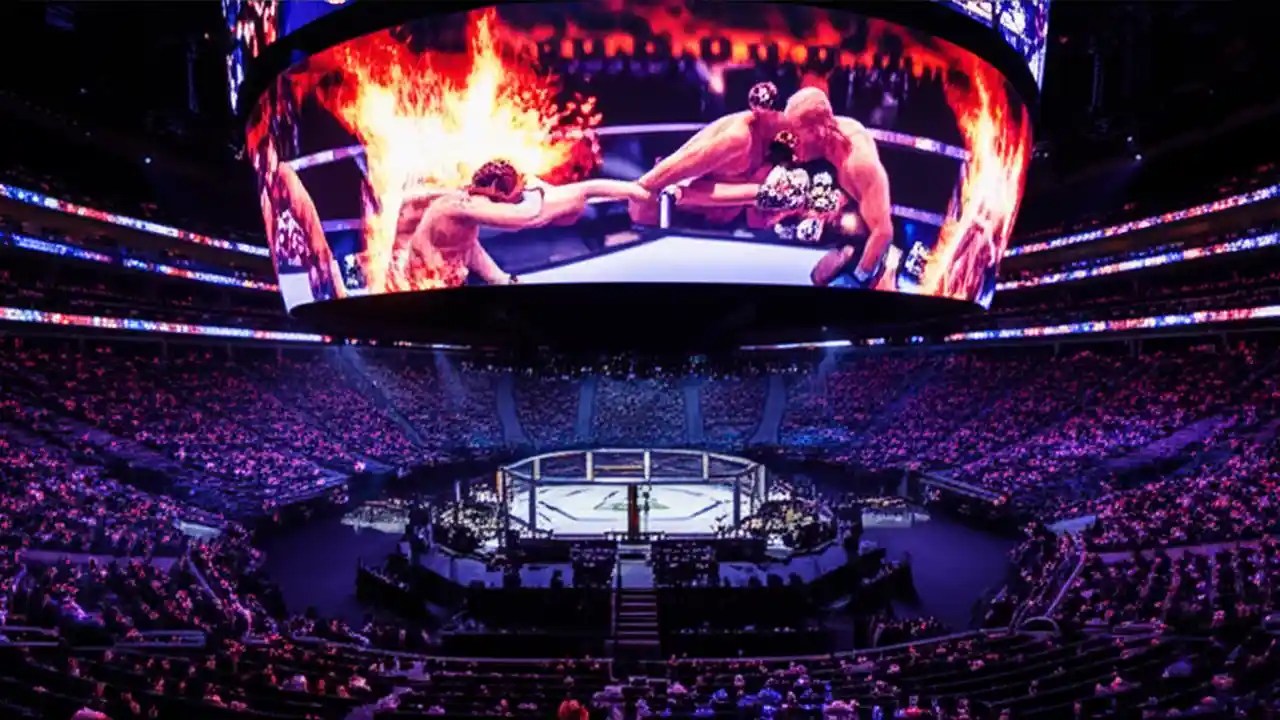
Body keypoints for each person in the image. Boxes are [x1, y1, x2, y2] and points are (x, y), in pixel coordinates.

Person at [390, 160, 650, 289]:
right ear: (494, 190)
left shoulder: (465, 216)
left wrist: (500, 280)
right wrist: (534, 191)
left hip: (447, 284)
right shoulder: (457, 207)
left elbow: (469, 249)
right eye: (513, 197)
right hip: (417, 289)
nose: (515, 202)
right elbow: (522, 219)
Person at [629, 81, 790, 226]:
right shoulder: (738, 137)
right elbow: (675, 169)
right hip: (669, 213)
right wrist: (643, 190)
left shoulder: (772, 143)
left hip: (709, 221)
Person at [781, 87, 894, 288]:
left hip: (875, 244)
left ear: (817, 130)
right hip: (859, 227)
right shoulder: (839, 128)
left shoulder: (857, 164)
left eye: (796, 135)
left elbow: (883, 231)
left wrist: (857, 278)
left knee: (832, 287)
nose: (792, 143)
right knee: (818, 277)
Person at [253, 130, 345, 301]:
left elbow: (308, 219)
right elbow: (272, 238)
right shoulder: (266, 190)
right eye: (265, 155)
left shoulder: (283, 173)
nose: (268, 158)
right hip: (294, 262)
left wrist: (320, 260)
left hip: (309, 248)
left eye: (270, 152)